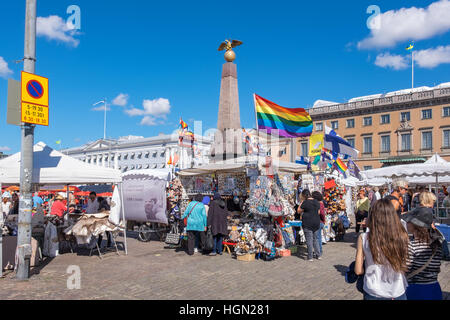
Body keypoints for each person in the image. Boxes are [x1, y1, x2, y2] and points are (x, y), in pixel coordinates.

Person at [354, 199, 410, 300]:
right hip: (397, 291)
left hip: (373, 291)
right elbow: (407, 263)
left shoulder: (363, 238)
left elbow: (358, 271)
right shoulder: (402, 236)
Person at [402, 191, 443, 300]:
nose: (407, 222)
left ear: (416, 225)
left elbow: (405, 268)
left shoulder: (412, 245)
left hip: (415, 290)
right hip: (434, 288)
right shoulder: (437, 243)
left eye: (409, 221)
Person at [297, 189, 321, 261]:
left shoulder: (305, 202)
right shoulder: (316, 202)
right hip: (316, 222)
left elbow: (298, 211)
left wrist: (302, 203)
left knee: (309, 240)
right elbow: (319, 212)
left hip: (308, 223)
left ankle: (310, 257)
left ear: (304, 195)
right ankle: (318, 255)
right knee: (315, 239)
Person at [312, 191, 326, 256]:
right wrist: (323, 220)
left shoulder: (317, 204)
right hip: (320, 221)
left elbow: (321, 213)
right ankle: (318, 251)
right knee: (317, 237)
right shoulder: (320, 204)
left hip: (317, 221)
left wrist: (323, 220)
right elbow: (322, 214)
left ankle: (318, 251)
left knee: (317, 238)